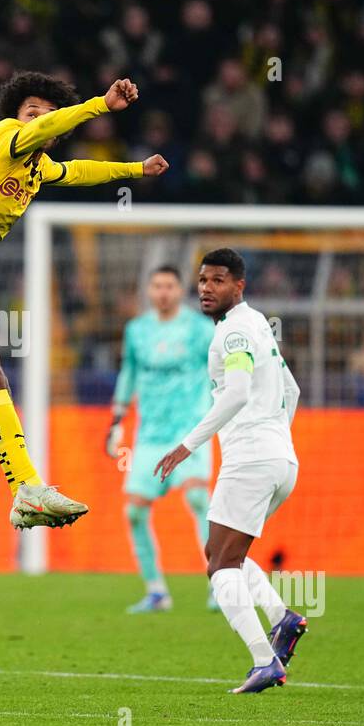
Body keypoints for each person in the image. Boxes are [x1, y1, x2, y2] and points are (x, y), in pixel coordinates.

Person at [0, 71, 169, 529]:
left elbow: (79, 172)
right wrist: (99, 105)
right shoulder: (4, 136)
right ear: (17, 117)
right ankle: (26, 490)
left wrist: (136, 170)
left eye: (49, 116)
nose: (40, 122)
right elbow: (37, 132)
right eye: (33, 112)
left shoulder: (36, 168)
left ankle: (25, 490)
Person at [155, 248, 307, 694]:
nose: (206, 288)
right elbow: (292, 389)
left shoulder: (234, 332)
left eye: (218, 281)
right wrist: (277, 437)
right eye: (202, 280)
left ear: (238, 286)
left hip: (252, 459)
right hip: (281, 460)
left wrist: (187, 446)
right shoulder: (258, 323)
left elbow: (238, 392)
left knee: (219, 567)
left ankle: (265, 662)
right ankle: (284, 618)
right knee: (223, 553)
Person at [107, 266, 216, 613]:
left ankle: (220, 585)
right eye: (157, 286)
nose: (163, 292)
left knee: (199, 499)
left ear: (179, 289)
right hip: (150, 435)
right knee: (134, 512)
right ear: (149, 290)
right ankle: (156, 591)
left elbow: (219, 370)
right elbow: (130, 372)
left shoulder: (200, 329)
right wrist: (117, 420)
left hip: (190, 432)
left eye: (169, 286)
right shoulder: (137, 330)